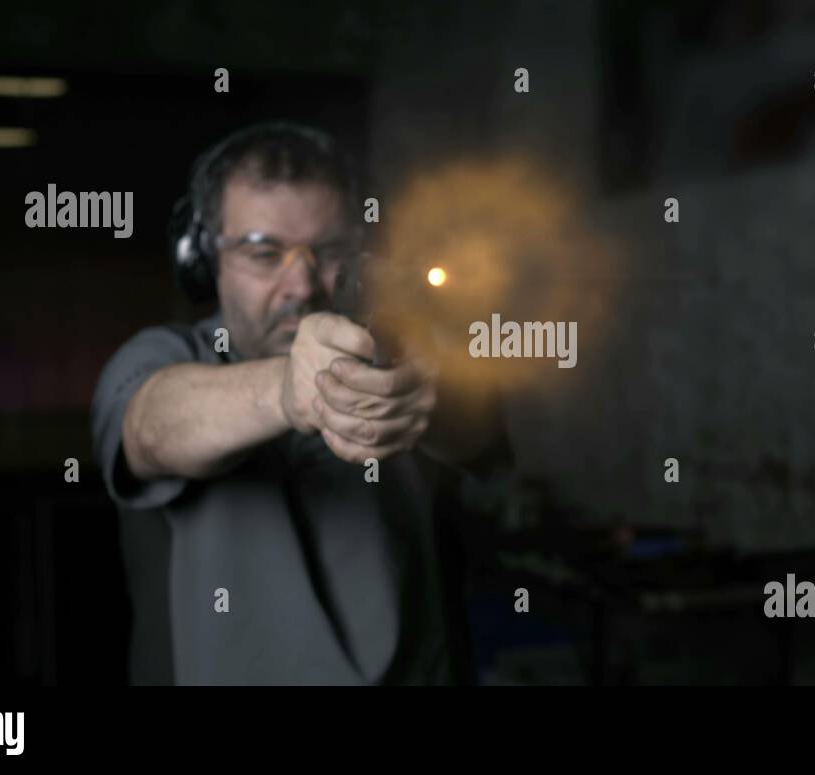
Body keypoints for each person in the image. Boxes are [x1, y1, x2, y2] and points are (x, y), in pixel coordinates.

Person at [90, 122, 507, 685]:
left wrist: (428, 398)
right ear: (202, 259)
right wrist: (287, 390)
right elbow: (148, 429)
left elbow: (478, 432)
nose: (302, 284)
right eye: (264, 253)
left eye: (329, 250)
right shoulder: (166, 354)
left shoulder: (395, 350)